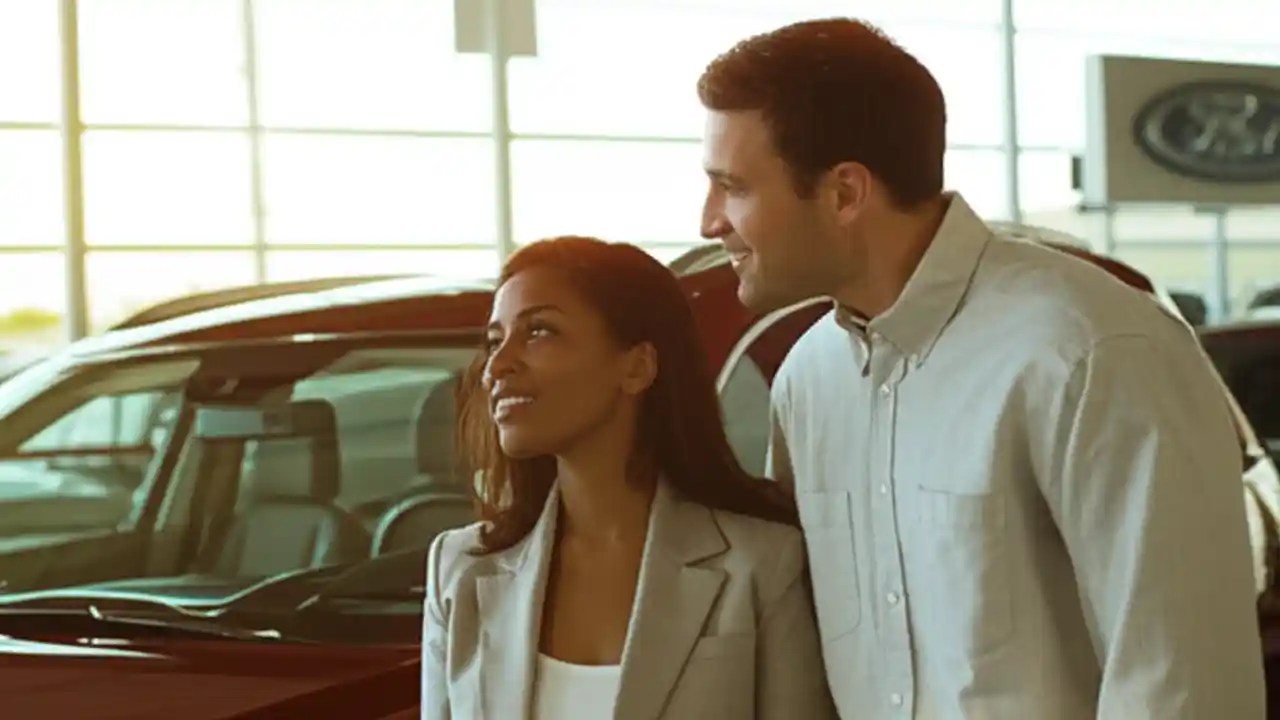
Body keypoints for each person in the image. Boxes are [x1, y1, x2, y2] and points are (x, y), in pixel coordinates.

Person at [697, 17, 1266, 719]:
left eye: (733, 187)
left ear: (845, 192)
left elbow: (1184, 684)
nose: (708, 220)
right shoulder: (809, 381)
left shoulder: (1091, 350)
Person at [419, 236, 837, 719]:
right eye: (495, 341)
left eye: (539, 332)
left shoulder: (761, 565)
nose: (498, 366)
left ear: (637, 366)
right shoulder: (461, 570)